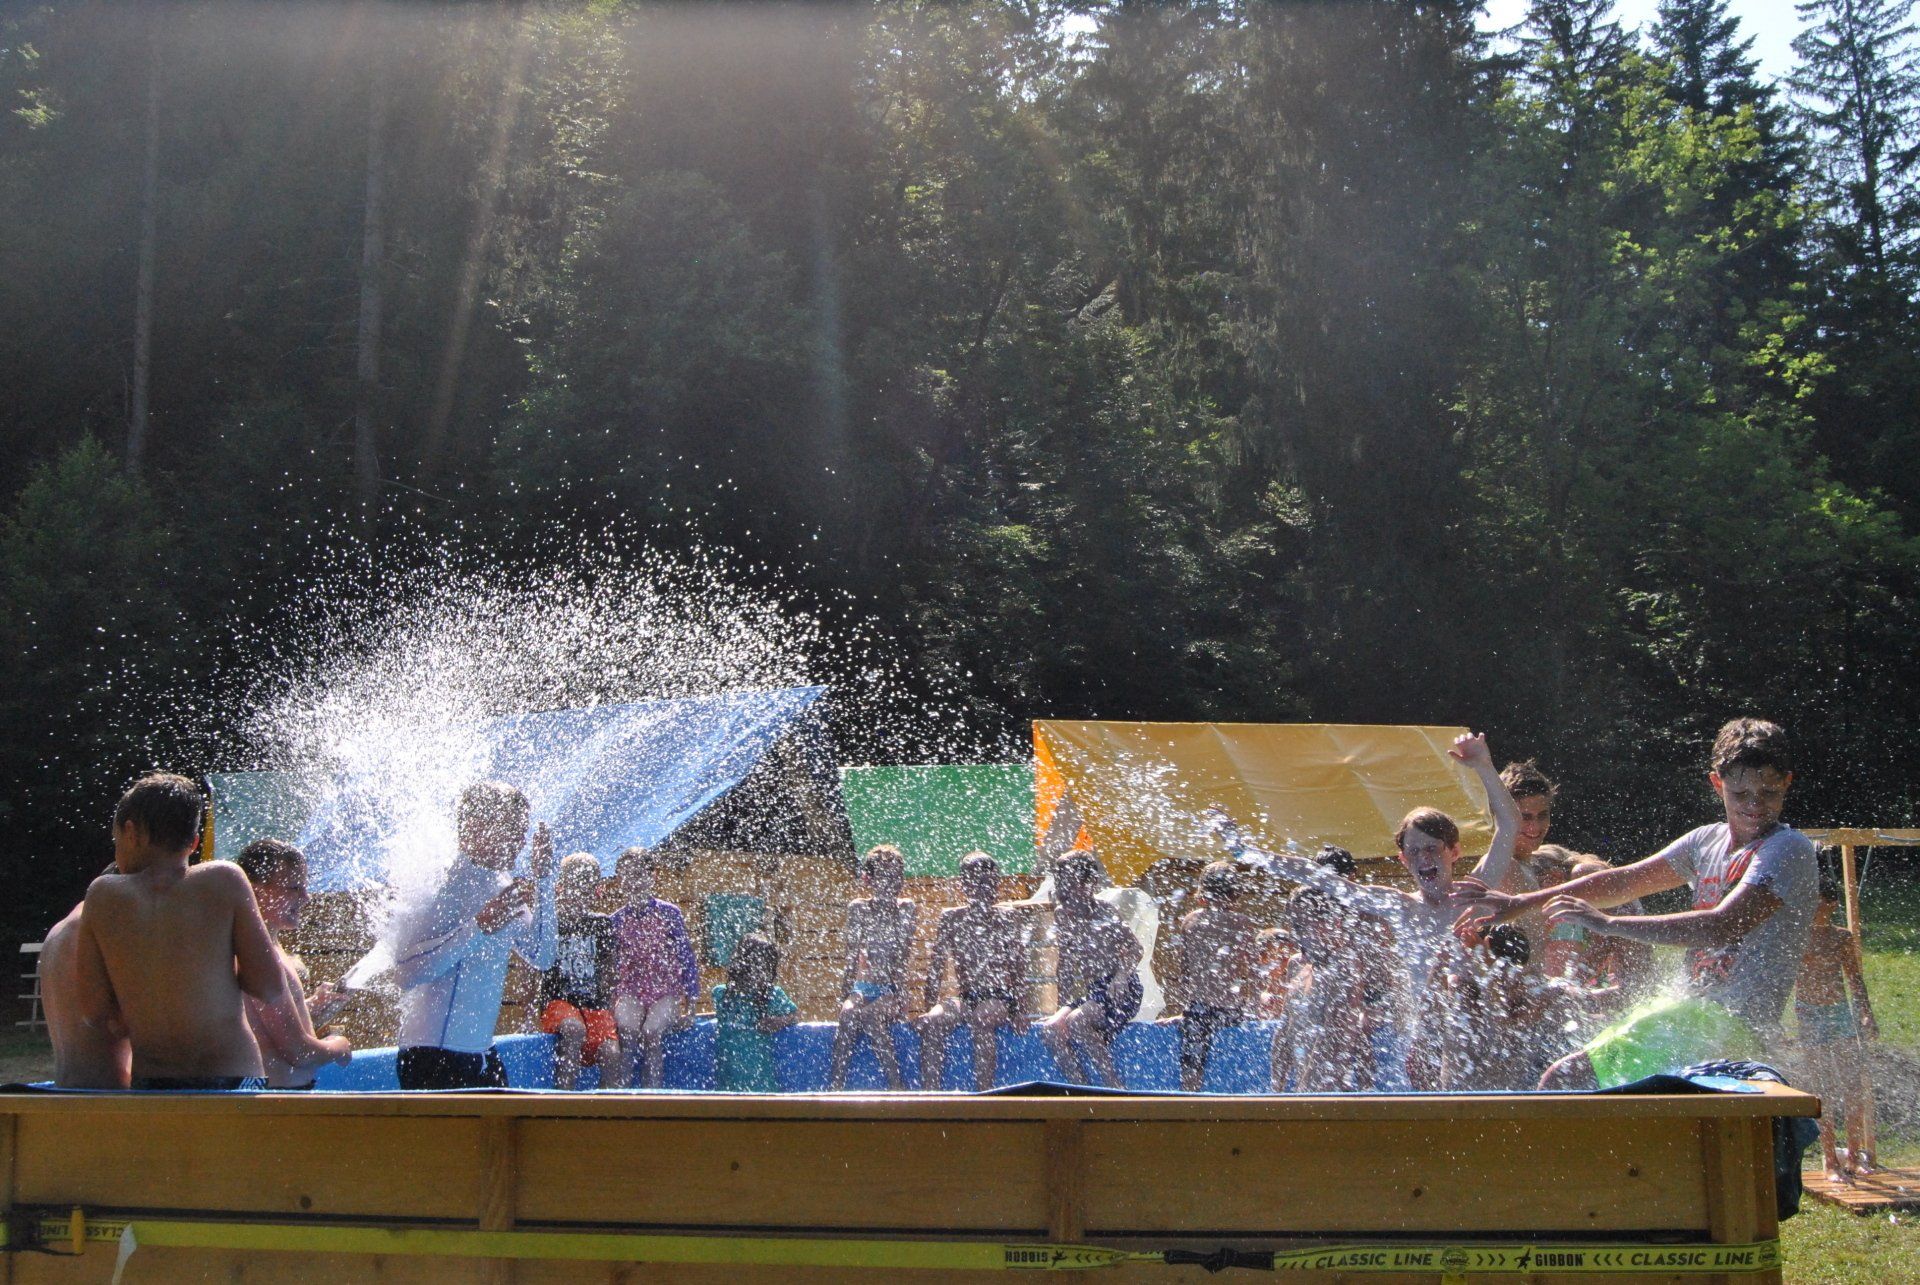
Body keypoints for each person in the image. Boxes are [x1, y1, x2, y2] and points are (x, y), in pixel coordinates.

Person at [1455, 718, 1818, 1089]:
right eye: (1741, 795)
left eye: (1769, 793)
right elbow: (1625, 881)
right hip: (1692, 1015)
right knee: (1580, 1085)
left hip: (1729, 1023)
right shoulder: (1704, 842)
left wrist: (1607, 924)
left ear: (1786, 783)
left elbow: (1720, 924)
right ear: (1717, 784)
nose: (1755, 805)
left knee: (1565, 1080)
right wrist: (1522, 902)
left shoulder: (1786, 849)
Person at [1213, 732, 1523, 1083]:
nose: (1425, 858)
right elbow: (1320, 878)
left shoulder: (1473, 893)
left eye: (1433, 849)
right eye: (1416, 852)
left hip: (1473, 1031)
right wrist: (1245, 852)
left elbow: (1509, 826)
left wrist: (1484, 766)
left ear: (1453, 852)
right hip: (1424, 1042)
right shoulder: (1400, 906)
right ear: (1403, 860)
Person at [66, 774, 347, 1090]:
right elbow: (267, 987)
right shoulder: (224, 879)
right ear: (194, 842)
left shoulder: (102, 895)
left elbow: (95, 1012)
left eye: (115, 842)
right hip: (231, 1074)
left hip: (155, 1081)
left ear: (130, 832)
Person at [392, 781, 556, 1090]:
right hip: (432, 1056)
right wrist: (478, 928)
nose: (522, 841)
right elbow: (404, 973)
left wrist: (545, 879)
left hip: (482, 1053)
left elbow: (542, 956)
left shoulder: (502, 885)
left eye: (524, 831)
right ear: (477, 826)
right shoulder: (440, 880)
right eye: (514, 829)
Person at [235, 838, 356, 1088]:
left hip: (283, 1097)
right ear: (255, 890)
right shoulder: (256, 955)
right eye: (293, 887)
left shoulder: (269, 948)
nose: (306, 897)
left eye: (304, 886)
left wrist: (312, 1005)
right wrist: (337, 1046)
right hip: (275, 1101)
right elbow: (298, 1052)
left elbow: (269, 1023)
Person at [917, 853, 1026, 1092]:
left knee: (982, 1018)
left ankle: (984, 1095)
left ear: (997, 883)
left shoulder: (1007, 917)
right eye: (976, 882)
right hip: (967, 997)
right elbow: (936, 968)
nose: (983, 888)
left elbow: (1019, 967)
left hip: (1000, 997)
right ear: (964, 884)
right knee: (933, 1022)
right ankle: (930, 1095)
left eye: (988, 882)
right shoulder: (952, 918)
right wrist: (928, 1007)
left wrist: (1019, 1010)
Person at [1795, 872, 1878, 1181]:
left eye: (1819, 902)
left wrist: (1867, 1014)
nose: (1814, 908)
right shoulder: (1797, 935)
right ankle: (1830, 1161)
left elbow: (1854, 979)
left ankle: (1855, 1156)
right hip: (1809, 1016)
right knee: (1822, 1088)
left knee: (1852, 1085)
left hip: (1839, 1014)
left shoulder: (1841, 937)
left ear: (1830, 905)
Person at [1038, 851, 1143, 1088]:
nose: (1065, 889)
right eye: (1061, 882)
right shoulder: (1062, 915)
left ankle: (1114, 1087)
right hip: (1092, 992)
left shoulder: (1105, 912)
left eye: (1071, 883)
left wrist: (1121, 975)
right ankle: (1080, 1089)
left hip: (1121, 990)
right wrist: (1060, 1007)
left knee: (1077, 1022)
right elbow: (1064, 965)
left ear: (1090, 884)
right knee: (1051, 1030)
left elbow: (1135, 948)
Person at [829, 845, 919, 1091]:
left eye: (896, 876)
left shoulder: (906, 907)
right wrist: (844, 995)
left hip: (891, 988)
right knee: (847, 1015)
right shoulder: (858, 907)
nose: (892, 883)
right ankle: (834, 1088)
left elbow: (901, 955)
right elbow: (851, 957)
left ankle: (896, 1086)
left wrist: (901, 997)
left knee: (870, 1016)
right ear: (869, 879)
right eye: (885, 876)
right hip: (863, 986)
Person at [610, 847, 698, 1090]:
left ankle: (653, 1097)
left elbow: (686, 959)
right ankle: (622, 1096)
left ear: (652, 876)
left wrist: (690, 1009)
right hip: (631, 991)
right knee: (627, 1032)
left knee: (651, 1032)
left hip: (665, 993)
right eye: (627, 875)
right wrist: (608, 1006)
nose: (633, 882)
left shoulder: (670, 914)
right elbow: (610, 969)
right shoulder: (615, 920)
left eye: (639, 874)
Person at [1269, 887, 1373, 1093]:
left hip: (1331, 1096)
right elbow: (1284, 1032)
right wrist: (1275, 1091)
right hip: (1306, 1090)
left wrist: (1305, 1097)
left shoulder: (1345, 966)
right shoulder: (1296, 965)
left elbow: (1333, 1041)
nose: (1297, 934)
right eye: (1295, 925)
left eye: (1304, 925)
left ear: (1332, 923)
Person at [1171, 862, 1260, 1091]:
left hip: (1199, 1008)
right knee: (1238, 1067)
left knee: (1191, 1067)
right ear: (1235, 893)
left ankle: (1189, 1110)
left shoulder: (1191, 921)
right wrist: (1257, 1007)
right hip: (1232, 1010)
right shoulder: (1242, 923)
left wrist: (1183, 1010)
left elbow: (1185, 972)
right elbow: (1253, 971)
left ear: (1202, 893)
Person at [39, 869, 131, 1088]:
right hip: (109, 1093)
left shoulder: (58, 931)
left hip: (65, 1088)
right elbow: (117, 1021)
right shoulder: (105, 927)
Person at [537, 853, 620, 1090]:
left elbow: (608, 968)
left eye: (587, 888)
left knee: (612, 1053)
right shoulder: (551, 922)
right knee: (574, 1030)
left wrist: (610, 1006)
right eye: (575, 886)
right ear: (561, 886)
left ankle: (605, 1118)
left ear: (597, 890)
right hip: (558, 1003)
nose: (579, 895)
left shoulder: (601, 923)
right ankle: (564, 1103)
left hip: (593, 1004)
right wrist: (527, 1013)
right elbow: (532, 970)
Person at [712, 933, 799, 1092]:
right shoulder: (721, 995)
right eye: (758, 967)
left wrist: (779, 1021)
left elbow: (794, 1015)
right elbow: (718, 1018)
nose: (763, 974)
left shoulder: (771, 996)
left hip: (760, 1080)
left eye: (767, 968)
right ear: (741, 966)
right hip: (727, 1078)